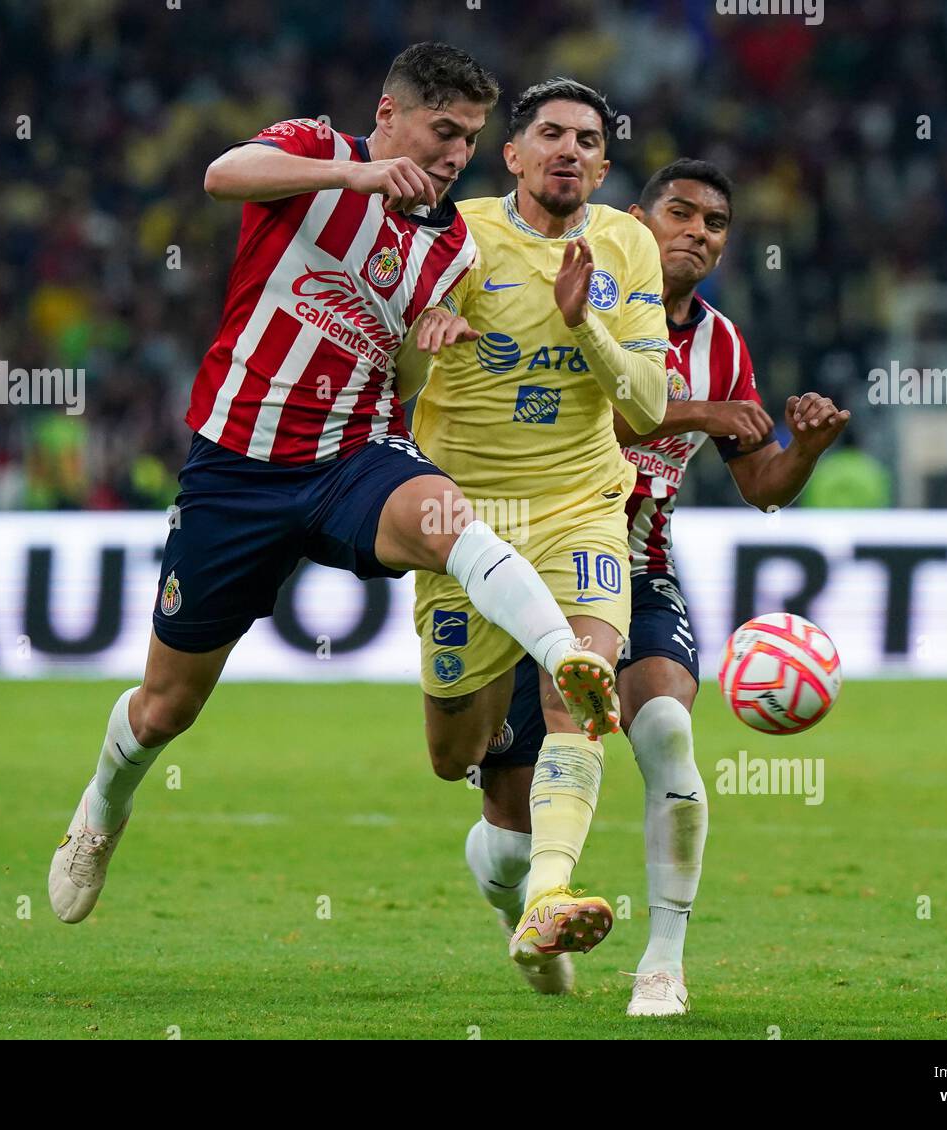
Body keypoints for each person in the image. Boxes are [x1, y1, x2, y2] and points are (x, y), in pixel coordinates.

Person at [49, 43, 618, 925]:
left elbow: (399, 386)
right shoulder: (314, 151)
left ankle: (566, 659)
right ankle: (101, 809)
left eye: (468, 139)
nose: (453, 155)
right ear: (389, 115)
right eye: (441, 132)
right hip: (238, 466)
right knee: (164, 708)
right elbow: (220, 175)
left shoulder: (453, 247)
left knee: (446, 519)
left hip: (354, 452)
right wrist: (356, 177)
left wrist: (425, 357)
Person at [465, 158, 850, 1011]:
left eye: (715, 224)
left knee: (667, 727)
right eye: (681, 213)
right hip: (526, 568)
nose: (698, 234)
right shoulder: (570, 299)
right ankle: (519, 907)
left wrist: (808, 448)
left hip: (637, 572)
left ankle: (663, 963)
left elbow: (762, 487)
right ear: (635, 220)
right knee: (507, 836)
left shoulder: (723, 343)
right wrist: (701, 414)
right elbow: (572, 409)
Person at [400, 79, 669, 971]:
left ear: (603, 162)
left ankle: (551, 892)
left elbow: (650, 400)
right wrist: (416, 339)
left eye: (587, 139)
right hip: (461, 523)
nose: (569, 150)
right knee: (455, 754)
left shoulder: (626, 244)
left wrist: (582, 322)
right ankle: (512, 881)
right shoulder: (456, 234)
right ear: (510, 156)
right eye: (549, 134)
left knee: (578, 693)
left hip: (579, 509)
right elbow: (390, 380)